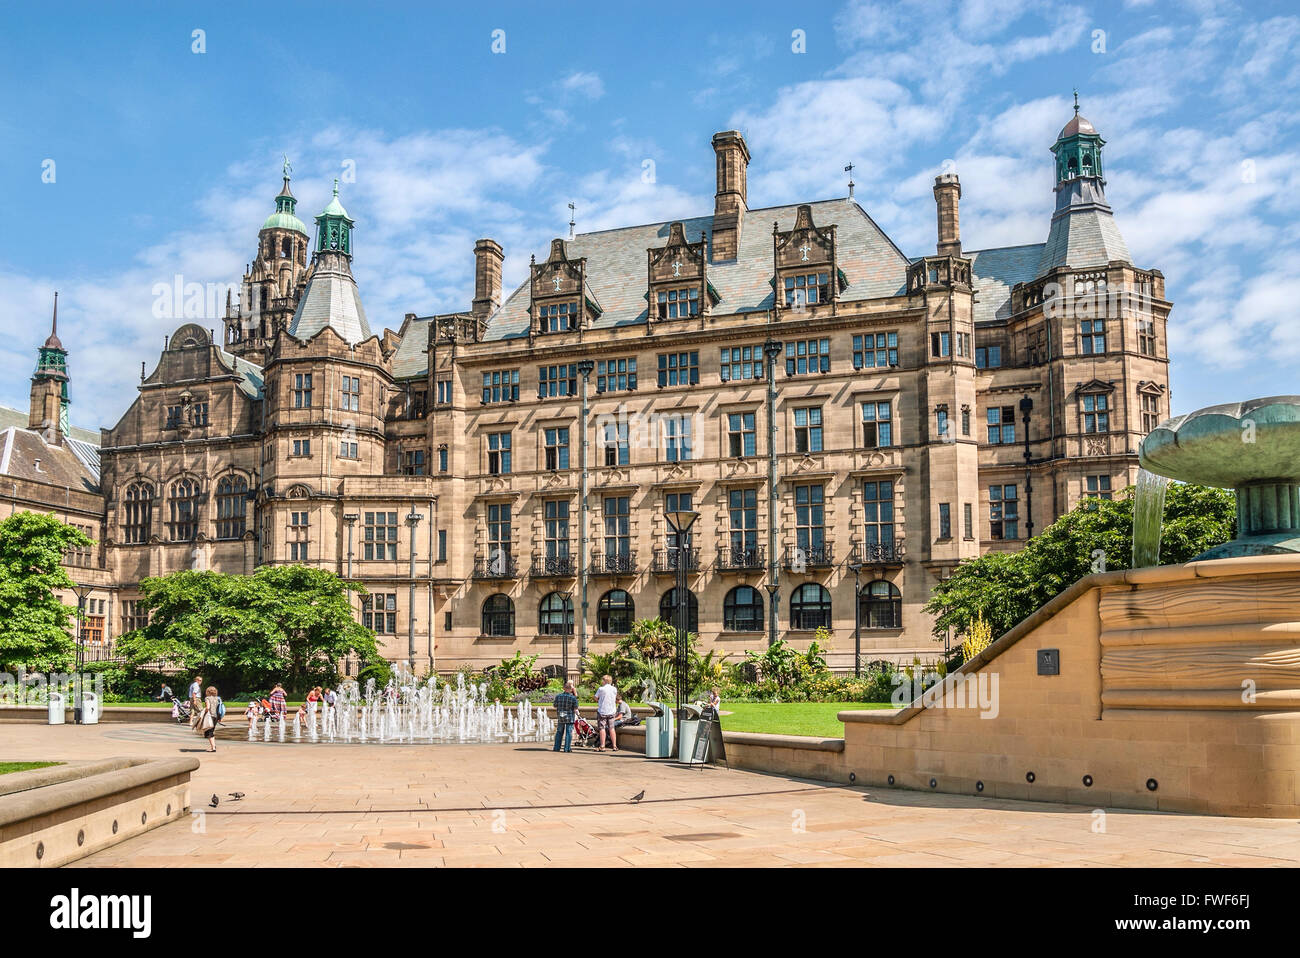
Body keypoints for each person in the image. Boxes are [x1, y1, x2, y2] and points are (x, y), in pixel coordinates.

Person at [552, 681, 578, 753]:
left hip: (561, 716)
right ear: (571, 689)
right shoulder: (573, 698)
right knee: (568, 732)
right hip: (569, 716)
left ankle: (556, 747)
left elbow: (554, 706)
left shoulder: (558, 696)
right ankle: (567, 748)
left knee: (559, 732)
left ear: (563, 688)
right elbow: (575, 708)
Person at [196, 685, 224, 753]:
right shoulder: (218, 698)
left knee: (209, 732)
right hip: (216, 716)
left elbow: (208, 707)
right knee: (211, 731)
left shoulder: (207, 698)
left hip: (210, 716)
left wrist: (204, 711)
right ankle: (213, 746)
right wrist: (220, 717)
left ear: (208, 692)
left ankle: (213, 747)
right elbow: (220, 708)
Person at [595, 674, 619, 752]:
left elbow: (596, 697)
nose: (601, 681)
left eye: (602, 680)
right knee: (612, 728)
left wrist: (599, 700)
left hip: (602, 710)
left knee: (602, 728)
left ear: (605, 681)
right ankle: (614, 746)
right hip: (612, 711)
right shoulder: (614, 689)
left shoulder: (601, 689)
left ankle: (602, 746)